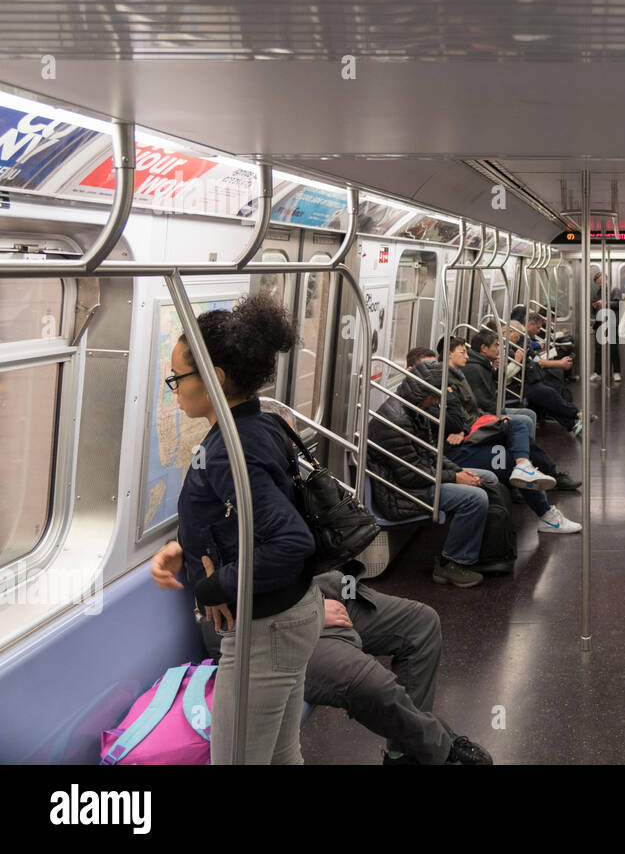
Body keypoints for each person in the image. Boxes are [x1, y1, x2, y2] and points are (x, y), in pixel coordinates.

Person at [149, 292, 323, 765]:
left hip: (266, 629)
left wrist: (213, 587)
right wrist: (183, 549)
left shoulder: (231, 448)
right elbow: (241, 519)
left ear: (215, 378)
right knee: (282, 755)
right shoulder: (259, 423)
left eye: (178, 378)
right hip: (291, 613)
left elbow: (290, 541)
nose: (175, 389)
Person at [198, 568, 492, 765]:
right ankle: (438, 746)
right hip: (273, 624)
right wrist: (305, 610)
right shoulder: (215, 498)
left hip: (321, 592)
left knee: (421, 623)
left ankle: (405, 754)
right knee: (371, 684)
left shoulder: (275, 481)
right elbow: (218, 602)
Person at [367, 358, 506, 588]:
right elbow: (410, 475)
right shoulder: (396, 421)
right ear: (423, 392)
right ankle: (451, 563)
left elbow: (432, 455)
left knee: (487, 477)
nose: (436, 401)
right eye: (434, 395)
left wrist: (459, 471)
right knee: (474, 498)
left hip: (417, 480)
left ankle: (482, 552)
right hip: (400, 492)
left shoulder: (416, 411)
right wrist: (455, 478)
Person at [414, 354, 582, 535]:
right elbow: (453, 421)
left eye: (434, 366)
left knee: (517, 427)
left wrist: (461, 428)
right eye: (425, 368)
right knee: (509, 458)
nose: (432, 373)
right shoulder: (423, 401)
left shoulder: (438, 393)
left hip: (465, 439)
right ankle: (546, 514)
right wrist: (450, 398)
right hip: (452, 454)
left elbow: (460, 419)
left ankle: (524, 466)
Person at [429, 338, 580, 490]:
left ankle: (537, 471)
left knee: (524, 420)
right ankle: (539, 472)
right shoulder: (452, 378)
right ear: (449, 354)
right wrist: (492, 419)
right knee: (521, 423)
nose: (467, 356)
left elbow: (474, 406)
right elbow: (467, 411)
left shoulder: (460, 374)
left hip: (477, 419)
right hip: (472, 426)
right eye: (463, 352)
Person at [591, 271, 623, 383]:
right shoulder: (598, 292)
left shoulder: (614, 290)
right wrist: (595, 306)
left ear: (606, 279)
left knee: (613, 349)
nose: (600, 284)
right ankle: (597, 372)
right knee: (598, 349)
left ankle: (616, 372)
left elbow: (618, 304)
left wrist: (604, 303)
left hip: (612, 323)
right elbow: (594, 309)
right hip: (600, 323)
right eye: (598, 283)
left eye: (601, 281)